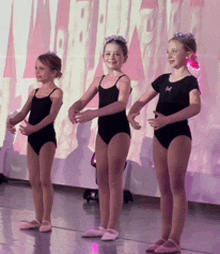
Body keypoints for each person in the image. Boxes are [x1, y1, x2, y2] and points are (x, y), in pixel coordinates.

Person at [128, 32, 201, 253]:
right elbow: (141, 99)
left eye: (175, 50)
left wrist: (168, 119)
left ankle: (175, 240)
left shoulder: (190, 81)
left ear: (188, 54)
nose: (170, 55)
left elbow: (195, 107)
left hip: (178, 134)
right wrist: (132, 112)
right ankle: (164, 235)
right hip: (160, 136)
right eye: (168, 50)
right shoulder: (162, 80)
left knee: (177, 186)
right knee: (164, 188)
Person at [68, 35, 131, 241]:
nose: (112, 57)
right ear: (103, 57)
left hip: (119, 131)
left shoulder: (124, 80)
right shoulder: (100, 80)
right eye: (108, 54)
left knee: (114, 179)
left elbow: (121, 104)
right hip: (103, 133)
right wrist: (74, 106)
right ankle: (102, 225)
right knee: (101, 180)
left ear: (124, 57)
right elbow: (84, 99)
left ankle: (113, 227)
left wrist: (93, 113)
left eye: (117, 54)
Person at [7, 52, 63, 233]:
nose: (38, 72)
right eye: (36, 68)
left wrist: (33, 128)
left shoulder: (56, 93)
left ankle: (47, 219)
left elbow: (51, 116)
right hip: (33, 139)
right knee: (33, 179)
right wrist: (12, 121)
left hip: (46, 139)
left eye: (42, 69)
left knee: (44, 179)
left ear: (54, 72)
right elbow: (24, 113)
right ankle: (38, 218)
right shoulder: (35, 92)